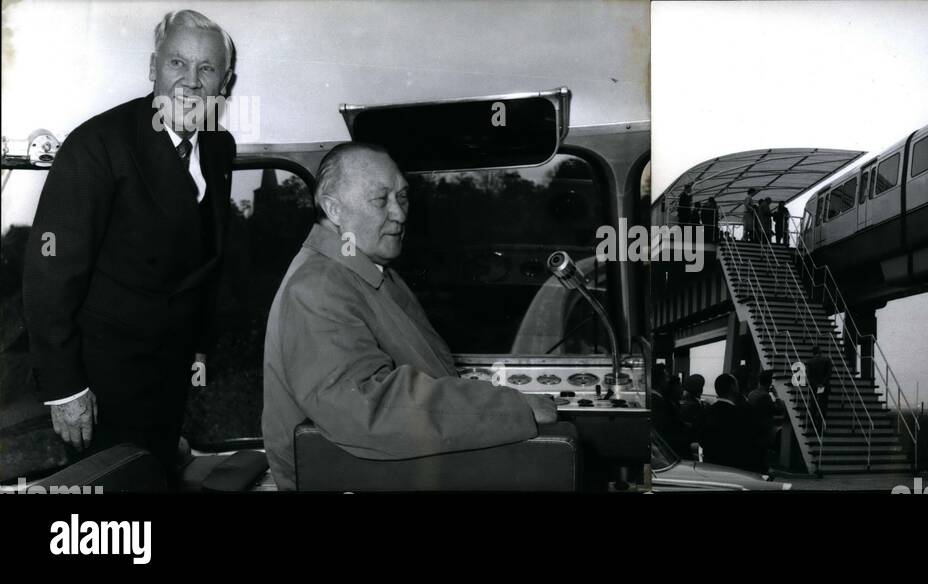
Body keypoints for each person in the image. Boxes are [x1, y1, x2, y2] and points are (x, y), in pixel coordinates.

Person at [261, 143, 556, 490]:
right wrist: (513, 408)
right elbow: (368, 408)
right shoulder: (319, 287)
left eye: (402, 198)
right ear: (333, 209)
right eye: (380, 200)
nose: (399, 214)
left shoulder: (365, 270)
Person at [23, 10, 238, 484]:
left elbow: (208, 258)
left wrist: (199, 346)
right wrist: (65, 388)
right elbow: (48, 272)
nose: (191, 83)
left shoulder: (220, 148)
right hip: (102, 378)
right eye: (177, 64)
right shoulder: (98, 145)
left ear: (226, 82)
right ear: (152, 68)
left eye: (207, 69)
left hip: (172, 367)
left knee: (155, 478)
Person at [698, 373, 765, 472]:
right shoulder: (742, 414)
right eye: (736, 384)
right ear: (732, 387)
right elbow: (752, 442)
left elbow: (701, 439)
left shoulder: (706, 412)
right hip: (737, 468)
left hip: (711, 466)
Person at [805, 344, 833, 432]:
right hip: (824, 386)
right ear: (820, 352)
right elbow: (829, 373)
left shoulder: (809, 362)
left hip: (814, 387)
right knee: (823, 405)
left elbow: (809, 376)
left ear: (813, 353)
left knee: (813, 404)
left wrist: (817, 384)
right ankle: (821, 425)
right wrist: (822, 383)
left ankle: (812, 423)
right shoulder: (827, 360)